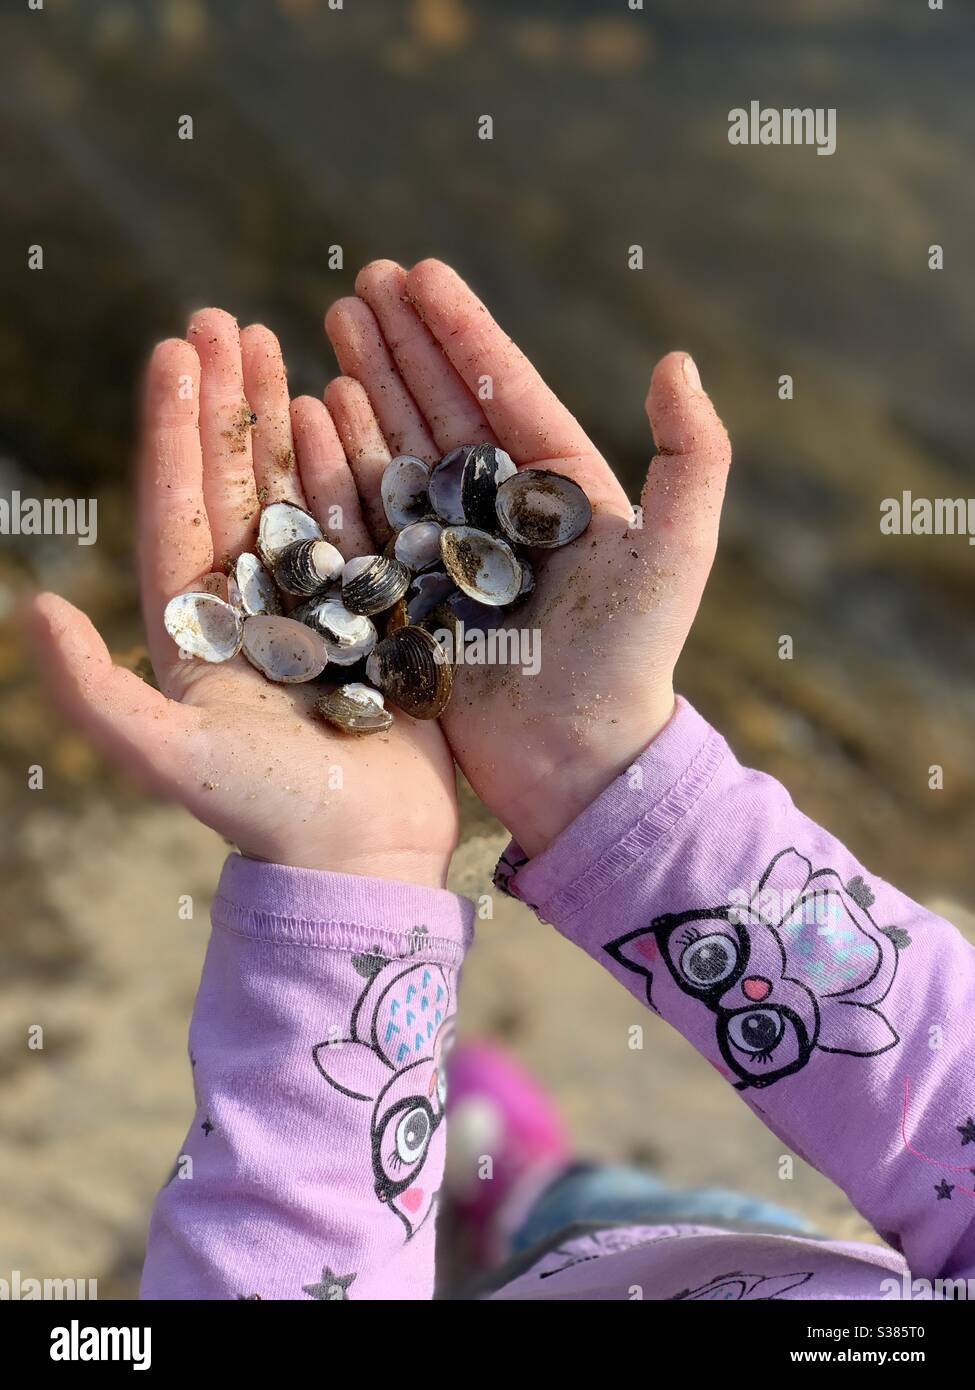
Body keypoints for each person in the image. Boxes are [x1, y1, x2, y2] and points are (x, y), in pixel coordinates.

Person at [29, 261, 974, 1300]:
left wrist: (350, 866)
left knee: (605, 1221)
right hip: (722, 1257)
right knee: (612, 1213)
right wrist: (613, 770)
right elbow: (945, 1100)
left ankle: (537, 1197)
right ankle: (534, 1191)